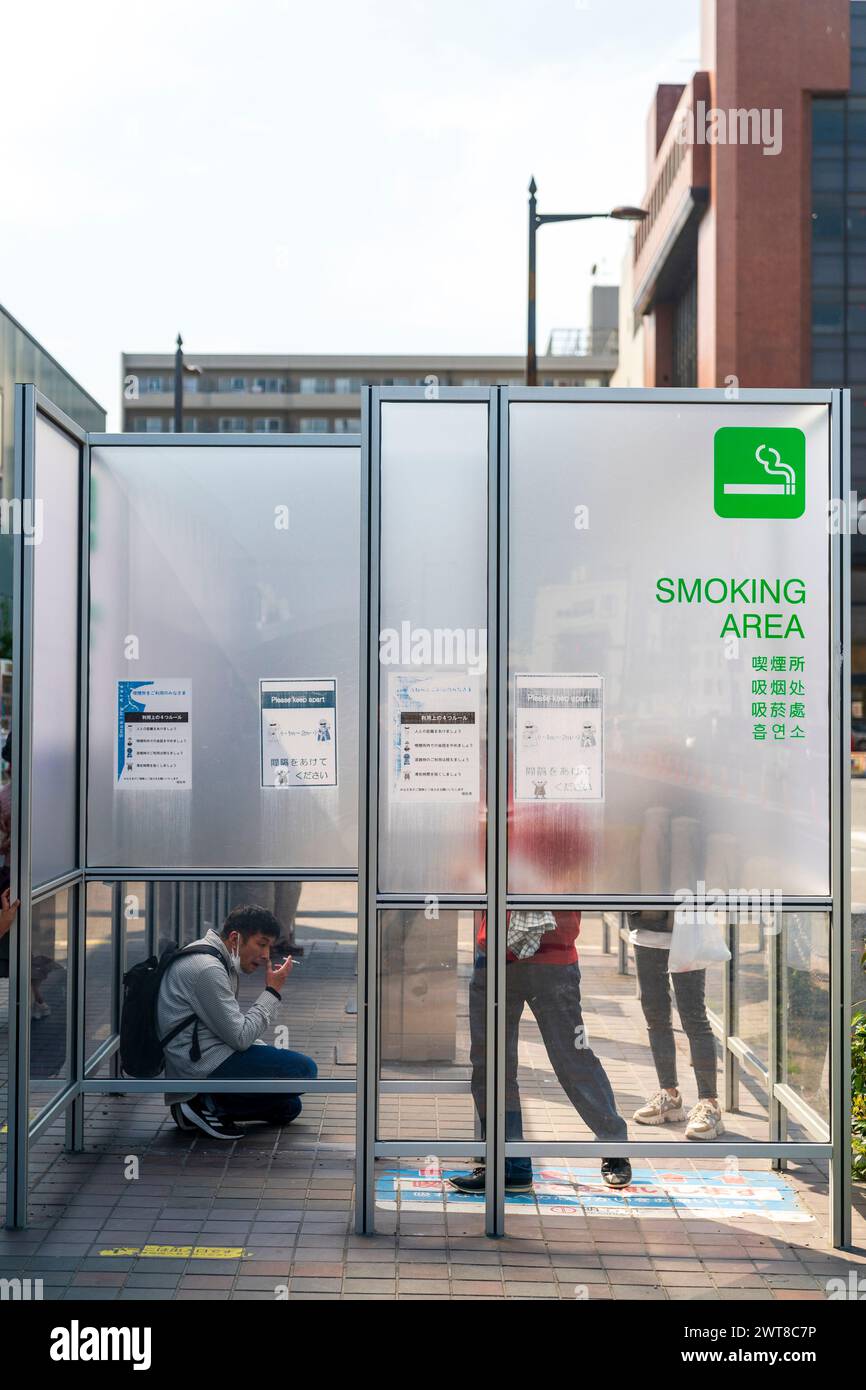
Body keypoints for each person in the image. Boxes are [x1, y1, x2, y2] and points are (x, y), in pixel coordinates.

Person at [448, 909, 631, 1193]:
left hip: (552, 956)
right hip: (498, 954)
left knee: (573, 1059)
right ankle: (510, 1164)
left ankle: (614, 1145)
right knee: (490, 1063)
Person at [156, 903, 317, 1139]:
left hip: (209, 1052)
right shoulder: (207, 968)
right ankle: (197, 1103)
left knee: (289, 1108)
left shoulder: (216, 957)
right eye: (261, 944)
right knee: (304, 1070)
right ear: (235, 938)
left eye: (269, 947)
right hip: (198, 1065)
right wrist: (272, 992)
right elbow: (240, 1038)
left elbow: (230, 1028)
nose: (265, 956)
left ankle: (210, 1101)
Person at [628, 910, 723, 1139]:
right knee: (655, 1016)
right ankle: (669, 1095)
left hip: (689, 930)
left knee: (694, 1018)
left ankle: (709, 1105)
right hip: (646, 930)